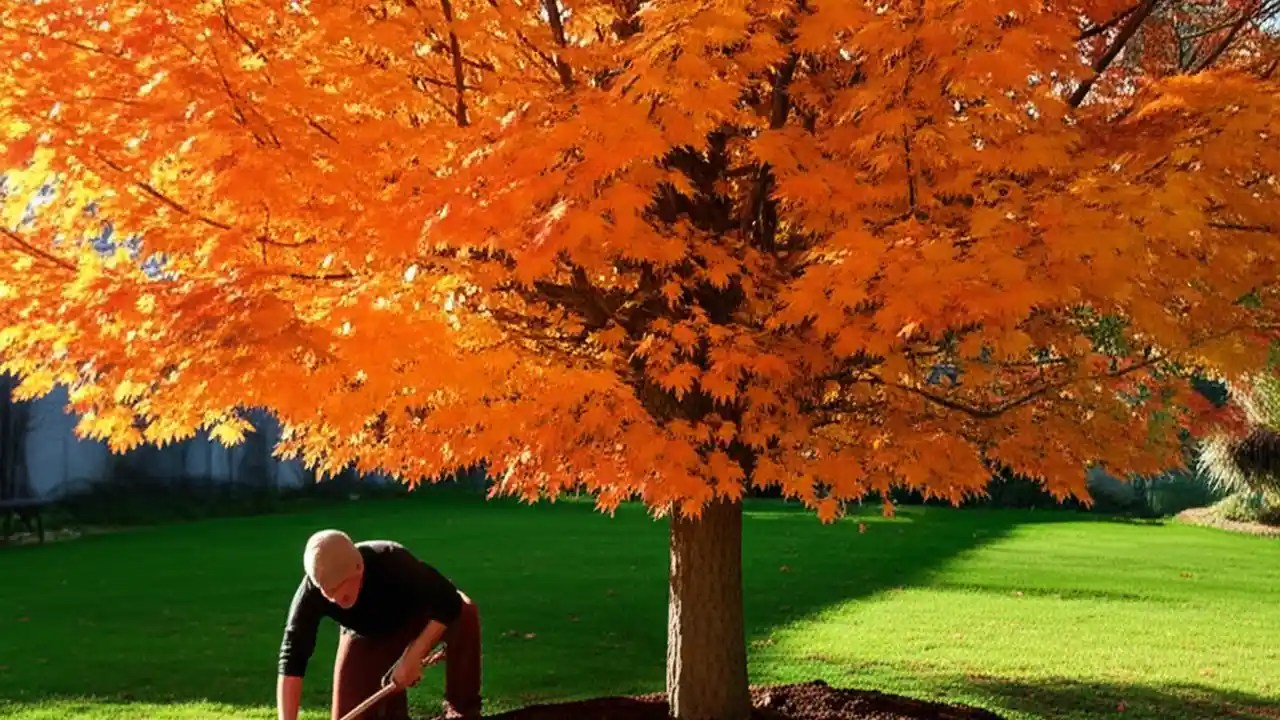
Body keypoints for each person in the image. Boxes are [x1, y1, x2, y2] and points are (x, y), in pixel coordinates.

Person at [276, 529, 482, 720]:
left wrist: (415, 653)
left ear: (359, 568)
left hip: (419, 617)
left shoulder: (391, 559)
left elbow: (449, 601)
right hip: (367, 634)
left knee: (466, 611)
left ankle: (463, 710)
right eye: (330, 594)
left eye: (345, 592)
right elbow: (292, 657)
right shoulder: (312, 592)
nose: (338, 598)